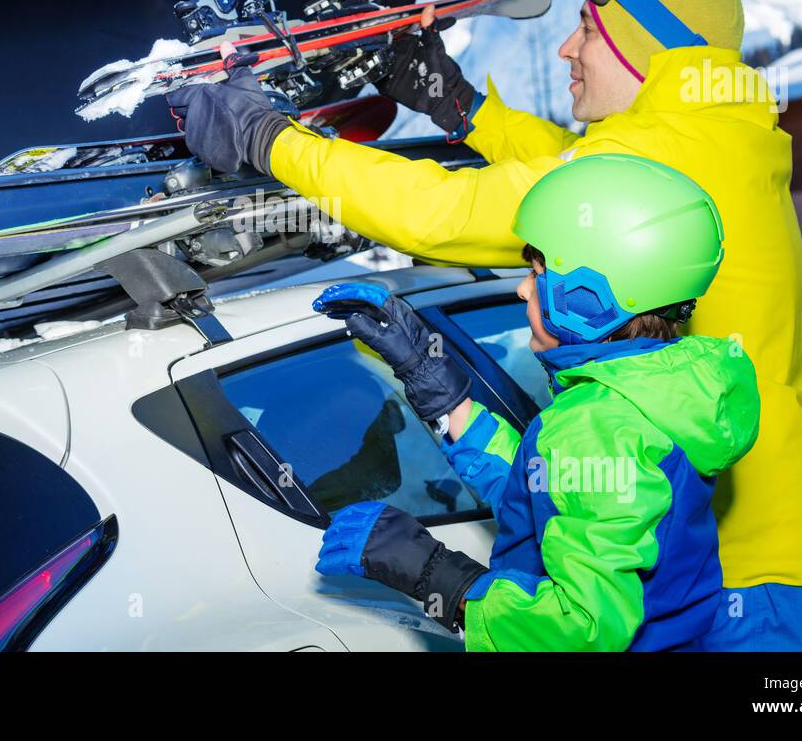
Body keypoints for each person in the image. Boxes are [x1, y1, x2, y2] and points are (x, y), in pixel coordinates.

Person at [166, 0, 802, 650]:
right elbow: (575, 172)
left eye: (587, 29)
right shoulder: (720, 134)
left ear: (640, 50)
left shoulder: (661, 156)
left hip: (739, 580)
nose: (566, 48)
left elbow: (445, 215)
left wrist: (269, 138)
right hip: (782, 557)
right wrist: (462, 107)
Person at [310, 154, 759, 650]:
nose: (524, 286)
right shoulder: (653, 397)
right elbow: (545, 492)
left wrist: (437, 575)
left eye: (539, 270)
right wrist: (429, 378)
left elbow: (584, 626)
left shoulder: (596, 422)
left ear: (589, 298)